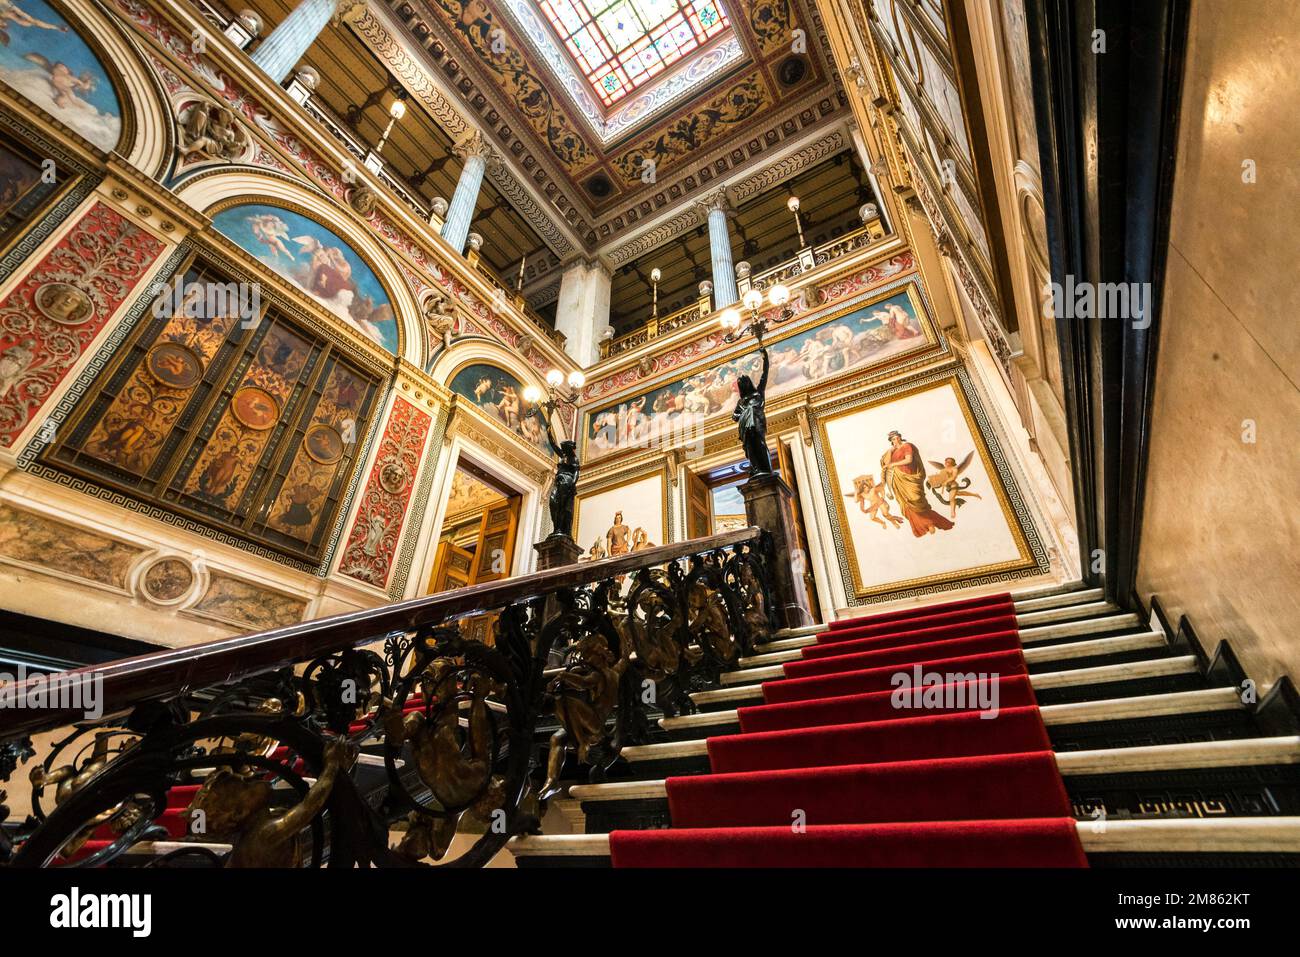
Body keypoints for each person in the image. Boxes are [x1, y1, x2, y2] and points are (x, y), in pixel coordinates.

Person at [880, 431, 954, 537]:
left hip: (909, 476)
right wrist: (891, 450)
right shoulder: (892, 450)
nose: (895, 440)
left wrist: (894, 464)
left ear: (900, 437)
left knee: (916, 499)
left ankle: (930, 523)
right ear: (891, 441)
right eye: (893, 439)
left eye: (896, 438)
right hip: (897, 479)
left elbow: (909, 460)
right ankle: (926, 525)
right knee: (905, 502)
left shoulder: (907, 446)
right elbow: (886, 464)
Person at [536, 406, 579, 538]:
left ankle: (560, 529)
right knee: (553, 502)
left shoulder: (573, 458)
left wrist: (573, 483)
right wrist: (549, 424)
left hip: (567, 483)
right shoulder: (563, 455)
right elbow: (553, 443)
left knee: (563, 507)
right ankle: (556, 528)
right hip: (559, 482)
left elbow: (576, 472)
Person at [732, 346, 772, 475]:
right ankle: (756, 469)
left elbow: (764, 374)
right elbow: (735, 417)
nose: (743, 384)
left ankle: (765, 469)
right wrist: (742, 412)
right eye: (741, 383)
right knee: (751, 448)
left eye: (744, 381)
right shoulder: (741, 401)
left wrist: (764, 355)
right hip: (745, 428)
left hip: (757, 423)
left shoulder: (758, 393)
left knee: (760, 444)